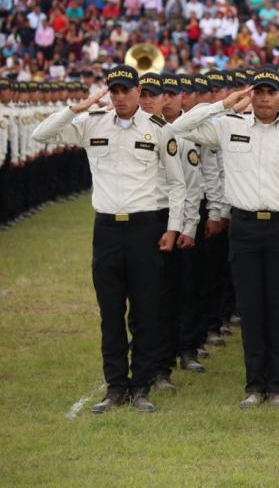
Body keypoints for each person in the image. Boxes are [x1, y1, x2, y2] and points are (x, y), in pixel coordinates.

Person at [31, 64, 186, 413]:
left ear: (136, 91)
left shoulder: (157, 128)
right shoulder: (92, 123)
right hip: (107, 230)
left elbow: (177, 183)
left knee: (146, 310)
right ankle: (116, 386)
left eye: (125, 90)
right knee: (110, 311)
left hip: (145, 227)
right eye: (113, 91)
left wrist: (173, 227)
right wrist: (75, 109)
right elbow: (41, 135)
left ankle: (142, 385)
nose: (119, 97)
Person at [169, 70, 279, 409]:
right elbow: (177, 127)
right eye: (260, 92)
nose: (265, 98)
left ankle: (278, 385)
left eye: (271, 92)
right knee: (251, 309)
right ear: (250, 96)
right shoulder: (229, 127)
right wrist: (222, 104)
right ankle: (255, 385)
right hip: (245, 228)